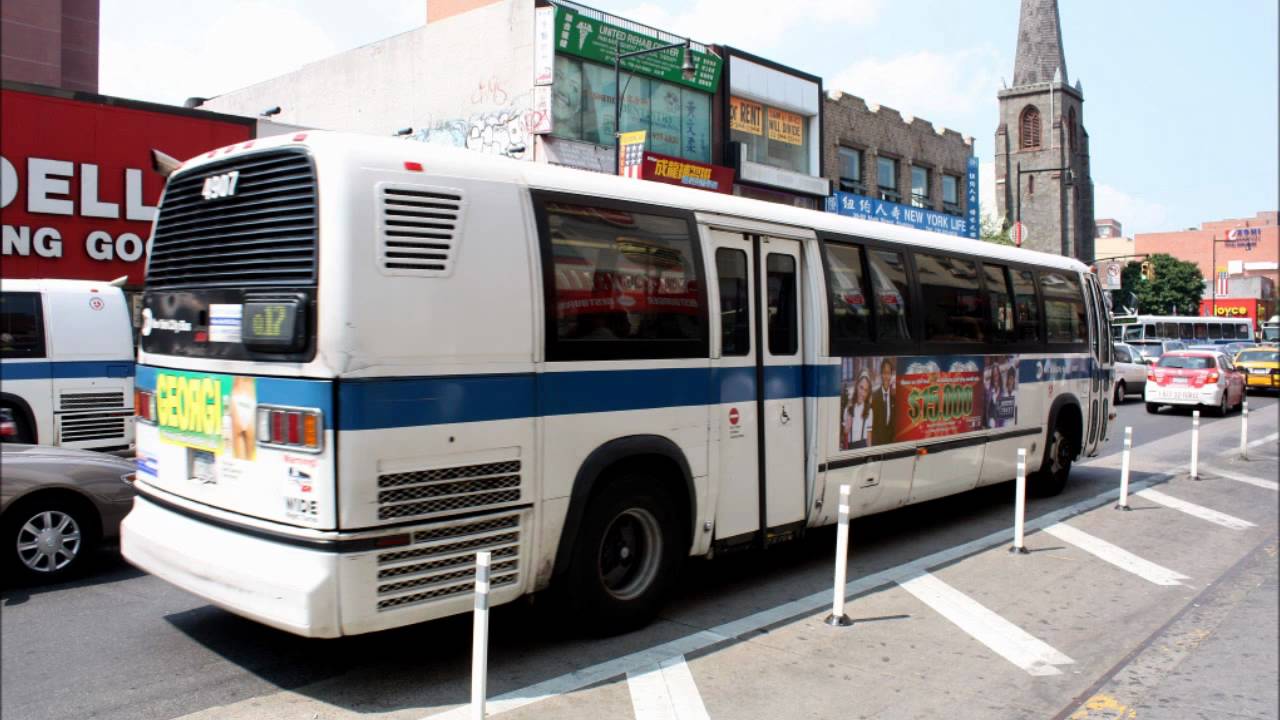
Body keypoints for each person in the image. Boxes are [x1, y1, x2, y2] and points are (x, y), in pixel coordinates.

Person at [843, 373, 873, 449]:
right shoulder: (848, 408)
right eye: (861, 387)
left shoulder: (869, 411)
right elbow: (844, 433)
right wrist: (847, 426)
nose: (862, 393)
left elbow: (869, 437)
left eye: (866, 390)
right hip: (850, 448)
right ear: (857, 386)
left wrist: (870, 453)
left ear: (868, 393)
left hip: (863, 448)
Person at [870, 358, 897, 445]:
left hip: (891, 442)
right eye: (884, 373)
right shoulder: (874, 396)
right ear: (881, 374)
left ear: (891, 375)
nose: (886, 376)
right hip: (878, 442)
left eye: (888, 373)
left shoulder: (894, 396)